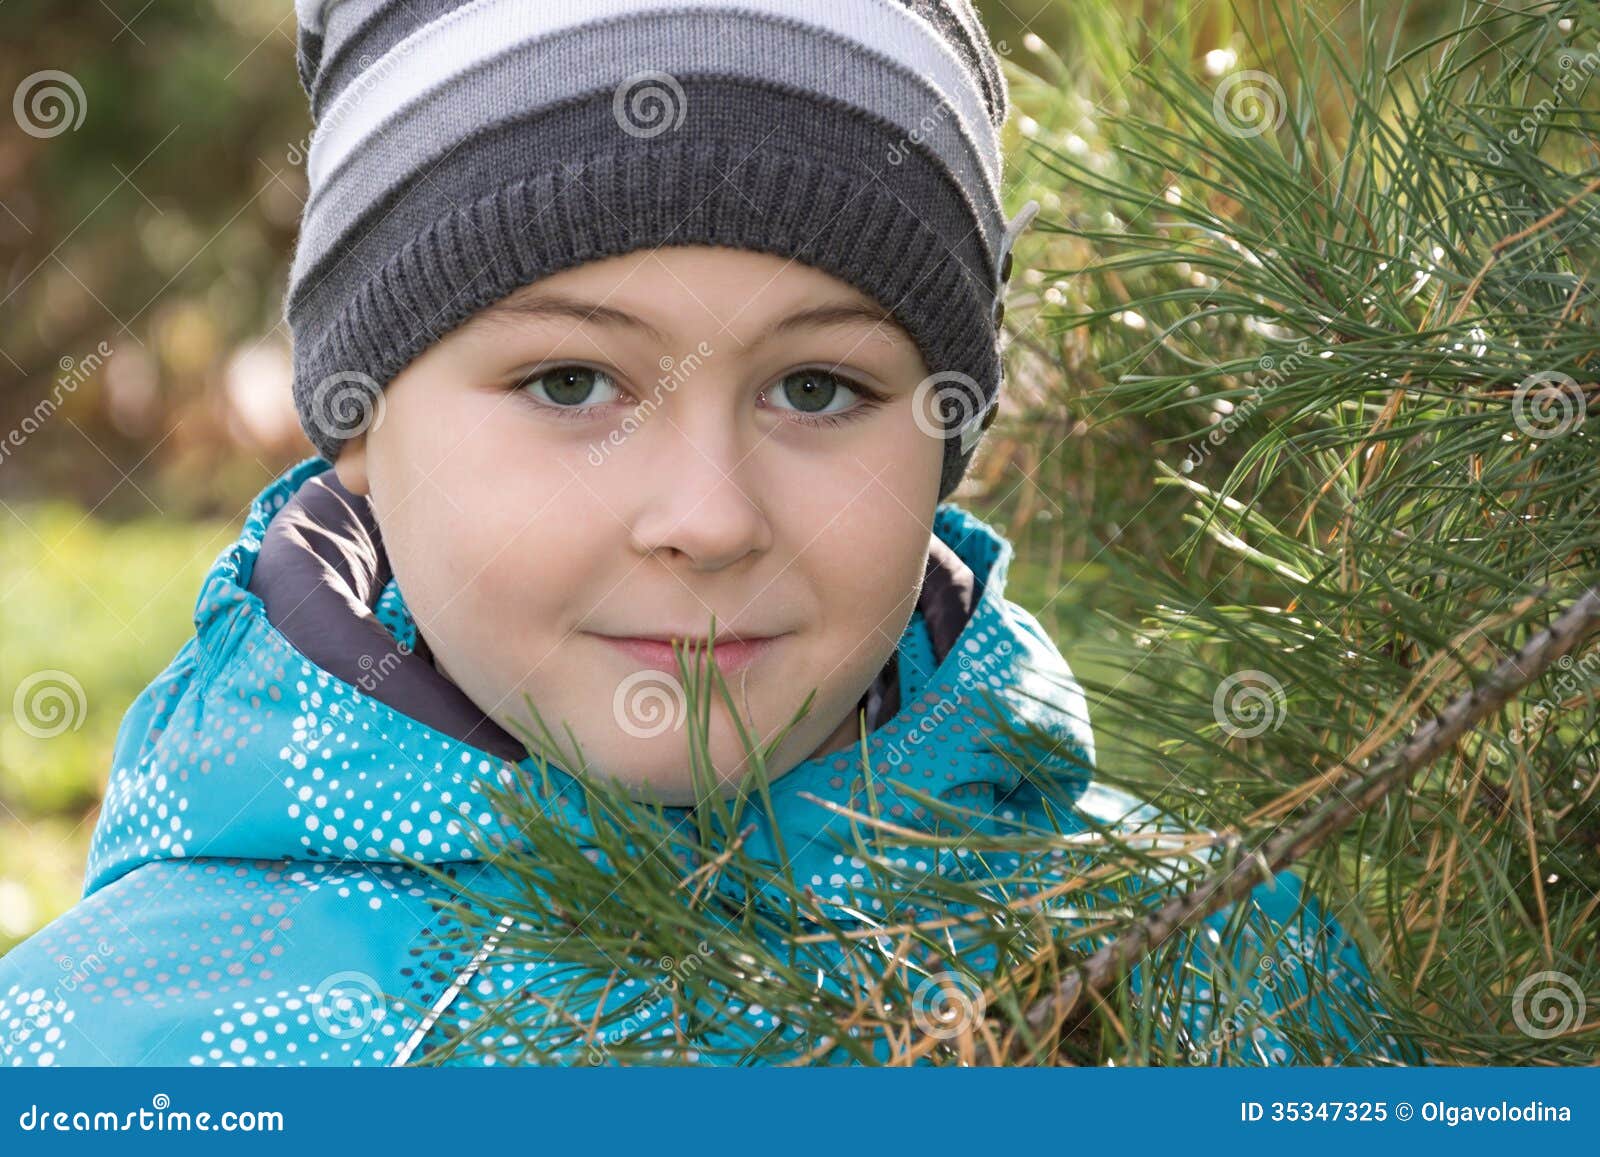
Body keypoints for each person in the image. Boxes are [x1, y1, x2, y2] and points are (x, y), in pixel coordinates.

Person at [0, 0, 1411, 1067]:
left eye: (820, 387)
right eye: (570, 382)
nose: (709, 517)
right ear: (355, 416)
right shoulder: (108, 1046)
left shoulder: (1227, 973)